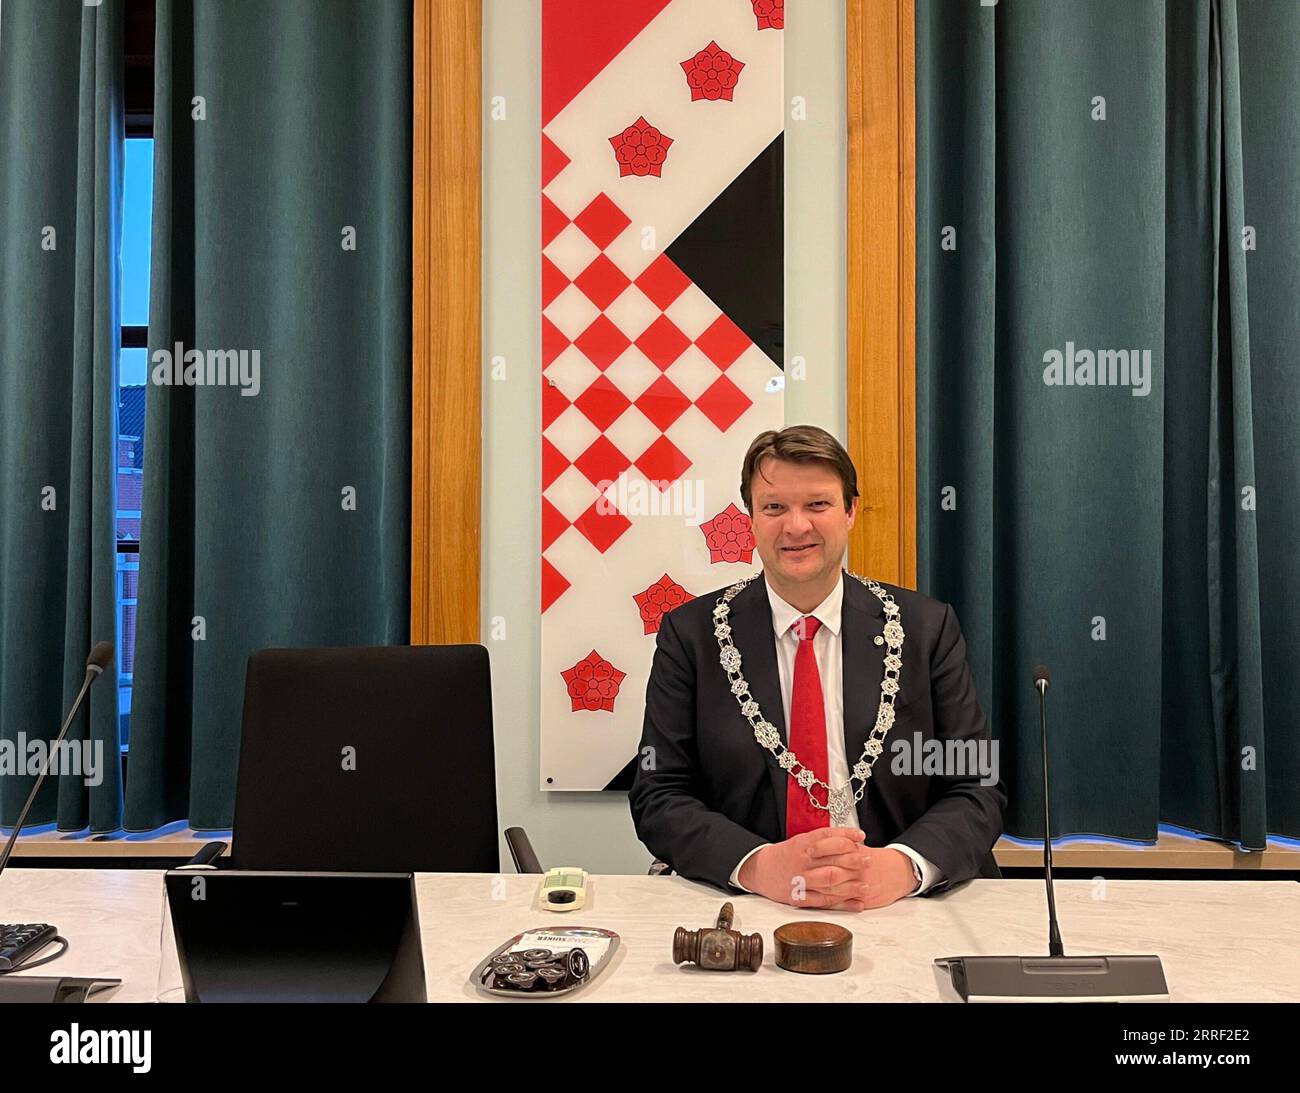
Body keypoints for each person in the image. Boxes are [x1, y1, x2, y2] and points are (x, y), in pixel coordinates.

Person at [630, 425, 1006, 911]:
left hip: (898, 905)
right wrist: (759, 865)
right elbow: (658, 792)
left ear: (850, 511)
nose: (796, 526)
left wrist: (905, 866)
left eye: (818, 504)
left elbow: (976, 782)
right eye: (774, 508)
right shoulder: (691, 635)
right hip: (751, 904)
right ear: (750, 519)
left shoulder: (926, 627)